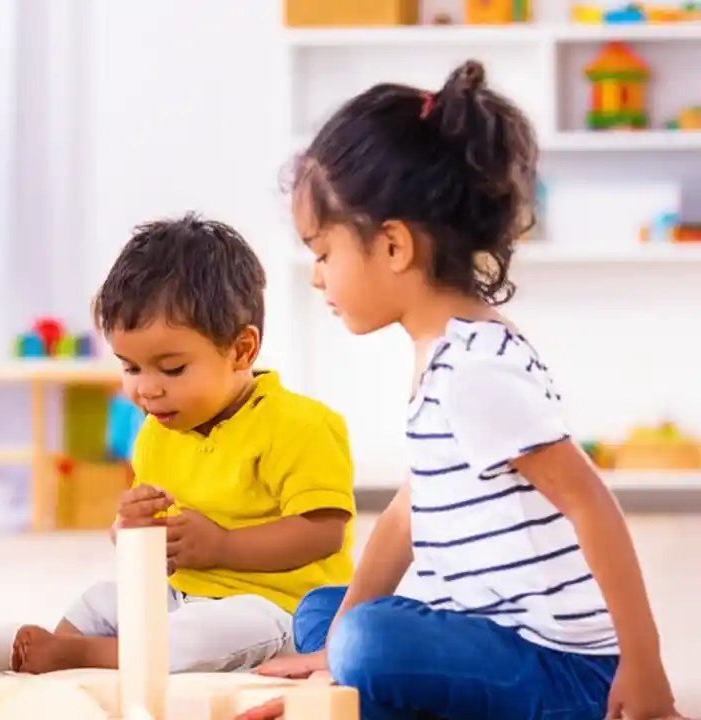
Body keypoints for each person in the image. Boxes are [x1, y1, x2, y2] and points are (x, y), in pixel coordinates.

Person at [241, 61, 683, 720]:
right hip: (497, 632)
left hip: (565, 670)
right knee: (327, 615)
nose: (315, 277)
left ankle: (364, 687)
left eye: (323, 252)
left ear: (393, 247)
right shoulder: (443, 352)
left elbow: (592, 503)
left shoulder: (475, 371)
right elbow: (404, 516)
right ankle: (357, 677)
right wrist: (333, 646)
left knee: (366, 641)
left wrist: (644, 670)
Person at [11, 214, 357, 675]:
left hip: (278, 610)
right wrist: (130, 530)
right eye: (131, 368)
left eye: (171, 369)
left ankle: (88, 658)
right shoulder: (155, 433)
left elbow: (323, 533)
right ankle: (70, 659)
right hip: (183, 596)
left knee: (213, 632)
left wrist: (224, 547)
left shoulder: (302, 425)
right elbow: (157, 547)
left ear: (241, 350)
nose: (147, 389)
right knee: (100, 600)